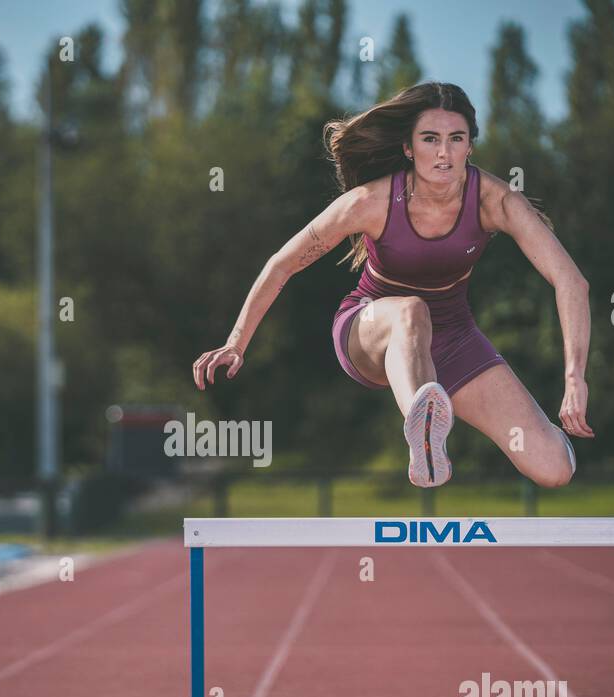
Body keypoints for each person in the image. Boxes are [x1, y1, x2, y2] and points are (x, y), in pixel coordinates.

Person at [192, 81, 593, 488]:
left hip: (452, 337)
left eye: (456, 139)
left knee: (553, 468)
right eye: (430, 139)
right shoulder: (372, 201)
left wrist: (574, 377)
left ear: (470, 146)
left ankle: (443, 420)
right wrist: (236, 342)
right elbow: (282, 265)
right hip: (369, 329)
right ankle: (424, 436)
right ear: (408, 147)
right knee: (410, 310)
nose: (443, 152)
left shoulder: (496, 201)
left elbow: (570, 280)